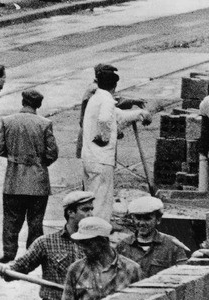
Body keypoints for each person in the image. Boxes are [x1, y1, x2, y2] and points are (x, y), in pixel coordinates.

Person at [0, 190, 93, 300]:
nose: (91, 214)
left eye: (91, 210)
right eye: (85, 210)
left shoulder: (96, 244)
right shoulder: (46, 243)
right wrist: (6, 270)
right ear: (71, 213)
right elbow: (19, 268)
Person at [0, 88, 59, 263]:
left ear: (23, 102)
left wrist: (15, 157)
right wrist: (39, 162)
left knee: (11, 220)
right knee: (36, 222)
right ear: (38, 104)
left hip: (14, 180)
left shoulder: (8, 121)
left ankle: (8, 253)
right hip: (38, 181)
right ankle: (33, 254)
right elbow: (52, 153)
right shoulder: (44, 123)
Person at [81, 68, 151, 221]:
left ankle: (91, 228)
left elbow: (117, 115)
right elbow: (105, 119)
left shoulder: (96, 98)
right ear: (114, 86)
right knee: (102, 201)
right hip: (101, 159)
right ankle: (99, 232)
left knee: (91, 198)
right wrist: (105, 137)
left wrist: (140, 114)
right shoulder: (106, 99)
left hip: (90, 158)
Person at [58, 216, 142, 300]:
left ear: (103, 241)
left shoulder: (132, 269)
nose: (82, 248)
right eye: (81, 244)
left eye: (87, 243)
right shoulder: (76, 269)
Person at [75, 63, 146, 158]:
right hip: (93, 133)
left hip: (94, 131)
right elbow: (113, 103)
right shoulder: (95, 89)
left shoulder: (98, 88)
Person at [117, 196, 189, 278]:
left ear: (158, 220)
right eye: (138, 218)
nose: (142, 223)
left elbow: (183, 275)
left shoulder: (172, 245)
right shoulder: (122, 246)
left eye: (147, 219)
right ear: (133, 219)